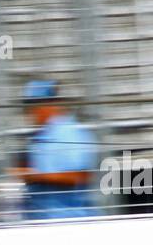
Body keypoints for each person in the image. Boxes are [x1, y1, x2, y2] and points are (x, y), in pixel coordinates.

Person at [14, 79, 99, 220]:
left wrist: (36, 176)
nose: (29, 113)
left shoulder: (69, 132)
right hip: (42, 221)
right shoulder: (40, 135)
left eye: (32, 107)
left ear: (48, 104)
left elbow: (80, 176)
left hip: (69, 221)